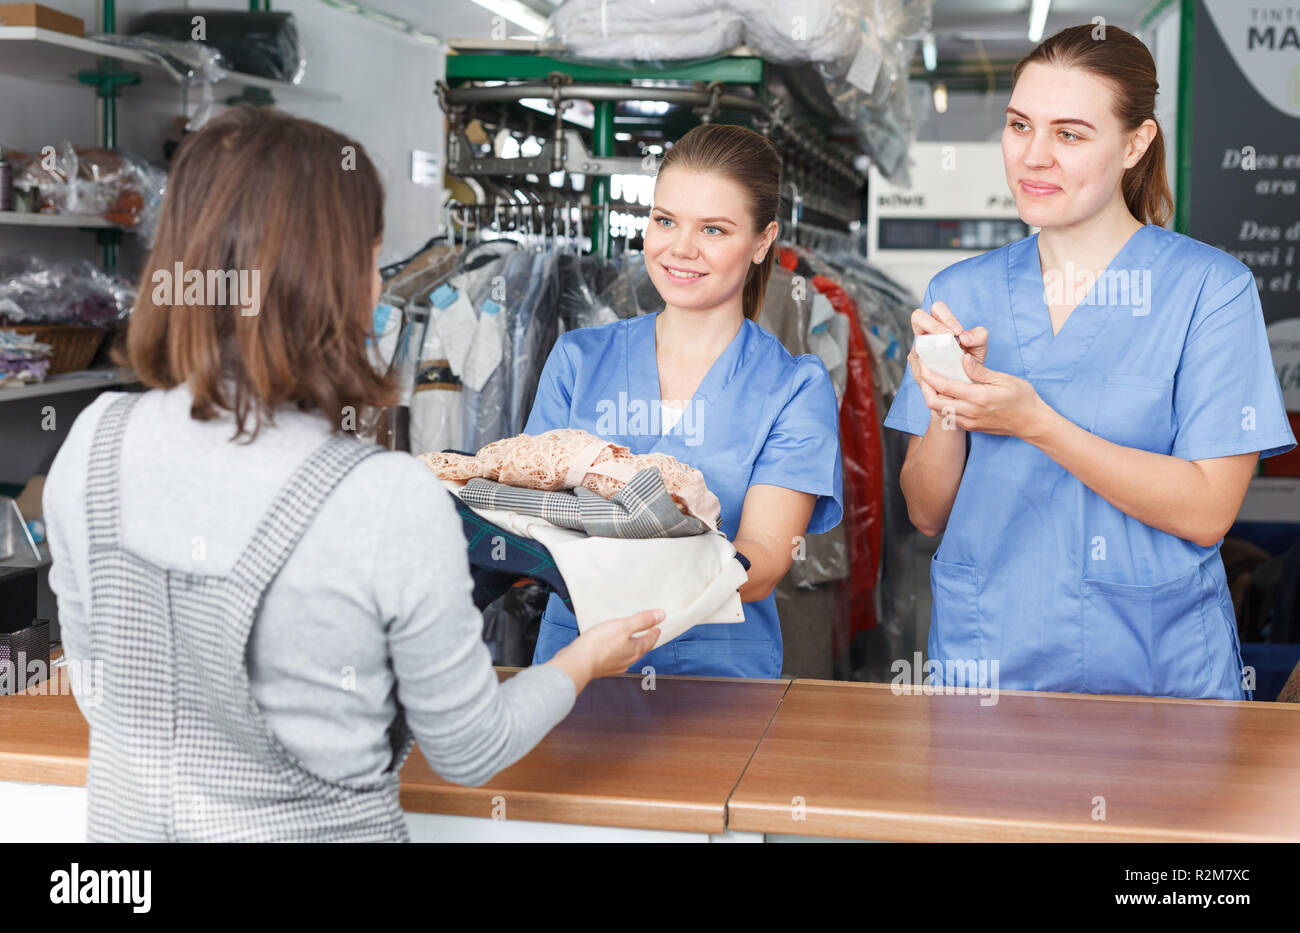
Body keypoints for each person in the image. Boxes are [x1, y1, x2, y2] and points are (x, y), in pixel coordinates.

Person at [41, 107, 663, 843]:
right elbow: (470, 747)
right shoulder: (382, 497)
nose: (379, 284)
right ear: (331, 280)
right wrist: (583, 659)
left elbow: (99, 690)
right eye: (371, 258)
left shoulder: (92, 444)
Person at [883, 24, 1296, 700]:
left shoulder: (1209, 291)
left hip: (1154, 672)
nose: (1033, 157)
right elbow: (927, 512)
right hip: (990, 665)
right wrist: (952, 411)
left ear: (1136, 143)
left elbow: (1207, 512)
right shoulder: (960, 293)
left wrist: (1034, 420)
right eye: (1020, 125)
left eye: (1069, 134)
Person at [525, 123, 844, 679]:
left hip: (716, 676)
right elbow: (530, 514)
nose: (680, 248)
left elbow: (765, 559)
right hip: (577, 664)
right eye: (665, 220)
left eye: (714, 230)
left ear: (763, 241)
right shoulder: (578, 359)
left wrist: (605, 561)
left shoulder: (793, 387)